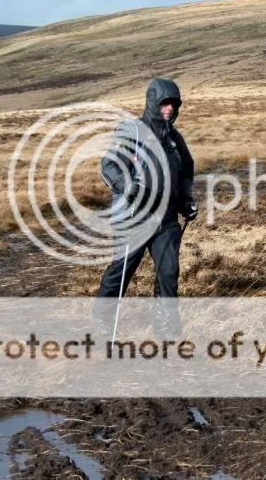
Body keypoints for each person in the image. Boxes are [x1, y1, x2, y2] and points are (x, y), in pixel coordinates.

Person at [92, 77, 197, 336]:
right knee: (121, 270)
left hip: (166, 220)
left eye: (174, 104)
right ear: (152, 102)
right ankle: (103, 319)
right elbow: (109, 166)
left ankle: (166, 329)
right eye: (164, 103)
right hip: (134, 217)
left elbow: (186, 172)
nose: (169, 108)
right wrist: (127, 187)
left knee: (168, 274)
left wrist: (186, 201)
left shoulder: (175, 138)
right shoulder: (132, 131)